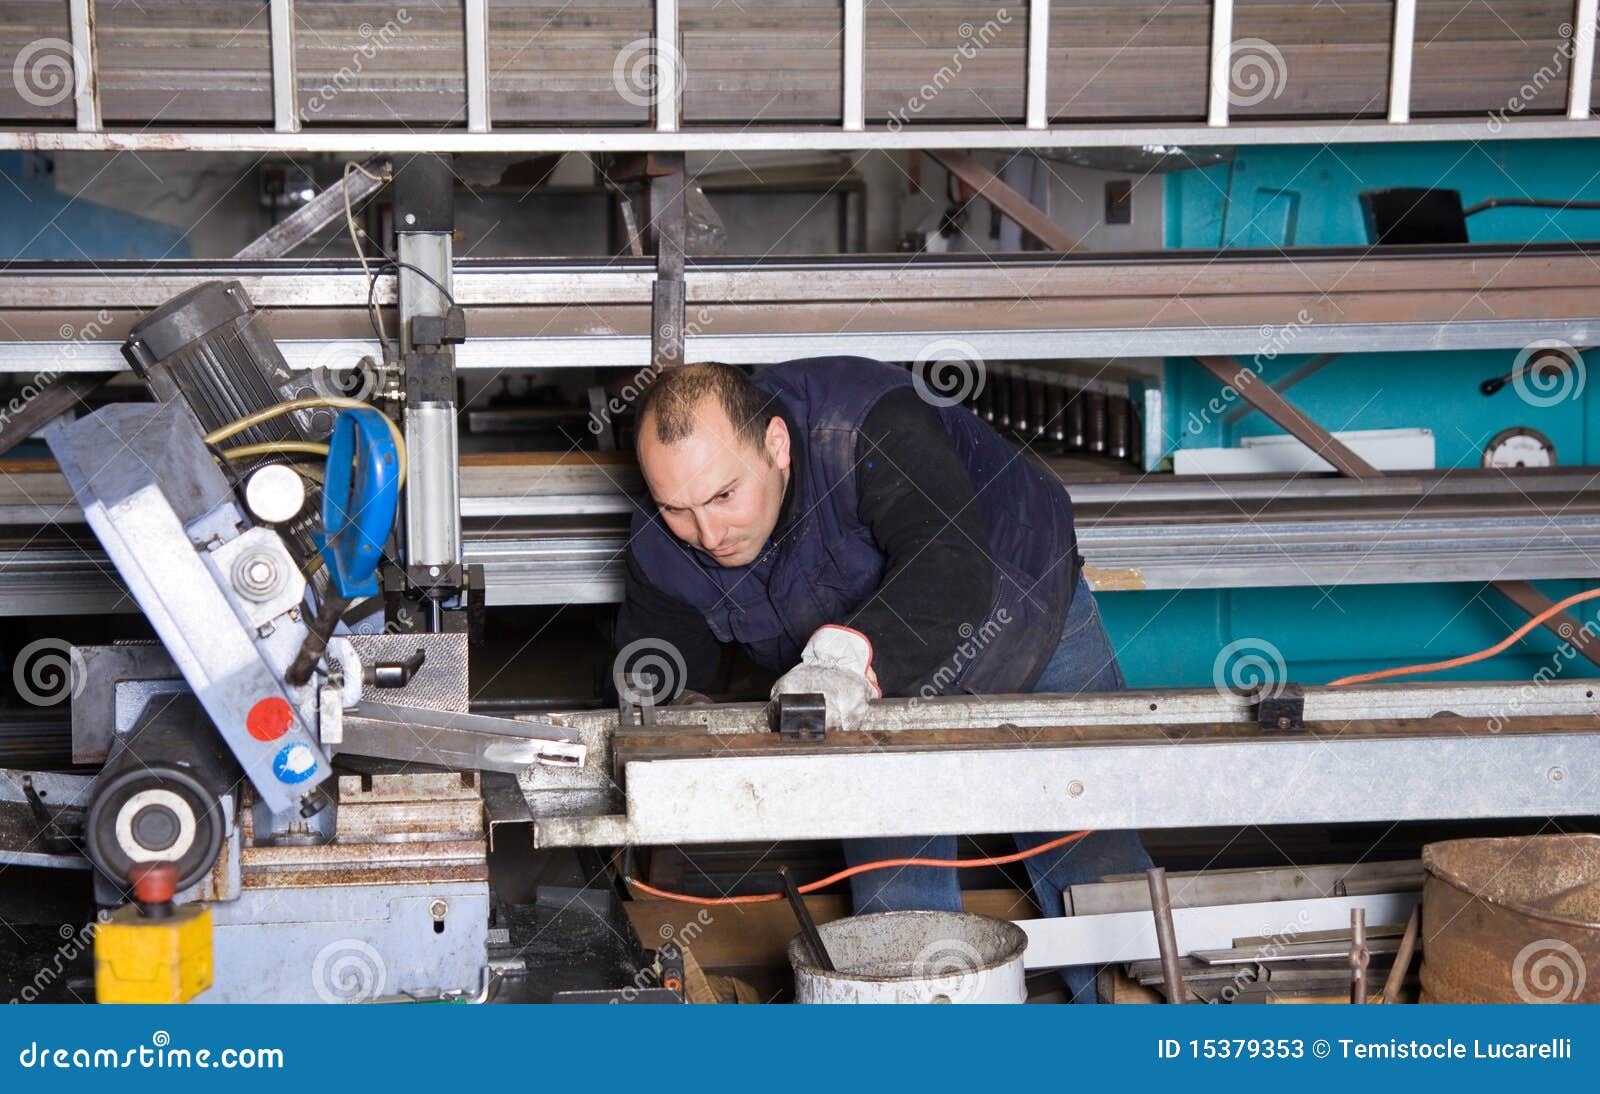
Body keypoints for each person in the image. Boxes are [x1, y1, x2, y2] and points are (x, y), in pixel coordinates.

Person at [613, 357, 1151, 1002]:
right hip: (861, 680)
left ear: (777, 446)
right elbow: (661, 673)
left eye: (724, 495)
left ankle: (1144, 1039)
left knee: (1086, 849)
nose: (708, 533)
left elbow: (947, 565)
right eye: (678, 507)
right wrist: (676, 731)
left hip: (1019, 604)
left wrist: (845, 663)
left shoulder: (865, 422)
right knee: (896, 889)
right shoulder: (663, 539)